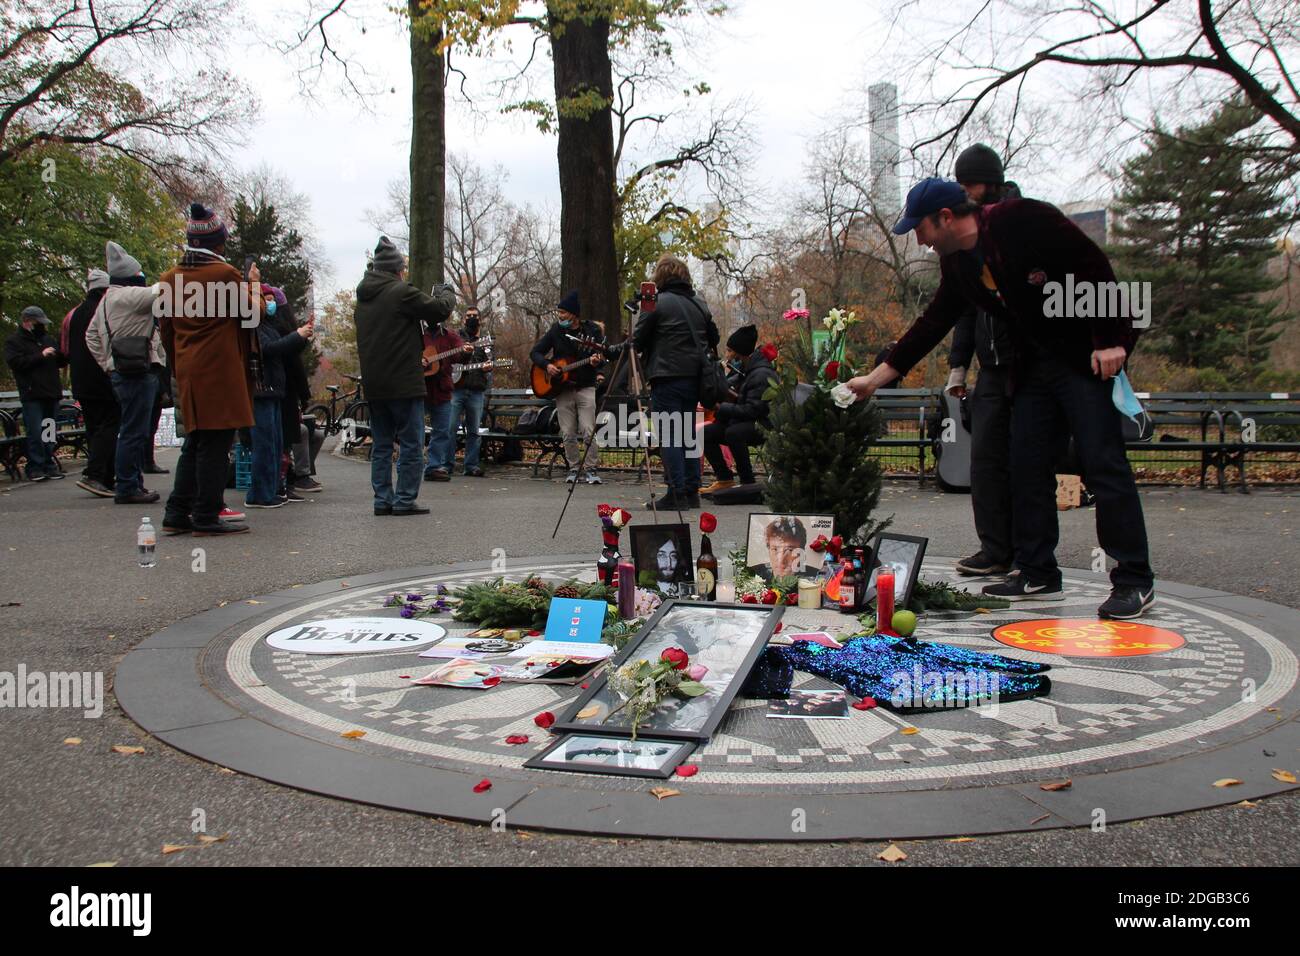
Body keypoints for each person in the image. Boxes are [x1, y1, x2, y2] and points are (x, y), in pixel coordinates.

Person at [847, 177, 1155, 620]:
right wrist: (875, 379)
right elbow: (933, 323)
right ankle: (1037, 568)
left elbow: (1092, 264)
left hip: (1083, 357)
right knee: (1026, 465)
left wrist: (1110, 340)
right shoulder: (958, 265)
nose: (920, 240)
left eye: (922, 229)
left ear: (946, 218)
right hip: (1030, 368)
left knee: (1102, 462)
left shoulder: (1021, 218)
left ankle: (1134, 579)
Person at [157, 203, 258, 537]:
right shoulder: (226, 275)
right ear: (219, 242)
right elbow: (252, 316)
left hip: (187, 370)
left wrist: (179, 364)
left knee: (196, 444)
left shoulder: (169, 279)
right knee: (216, 445)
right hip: (220, 372)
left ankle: (176, 513)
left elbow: (166, 331)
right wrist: (253, 285)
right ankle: (205, 515)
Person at [945, 144, 1022, 577]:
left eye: (967, 183)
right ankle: (994, 548)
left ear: (988, 181)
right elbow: (965, 306)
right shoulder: (970, 235)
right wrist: (959, 367)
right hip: (988, 366)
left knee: (1024, 462)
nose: (962, 192)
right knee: (985, 461)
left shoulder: (1016, 220)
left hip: (1025, 363)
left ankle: (1028, 556)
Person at [354, 236, 456, 515]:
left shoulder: (363, 297)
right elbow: (437, 310)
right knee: (411, 442)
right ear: (396, 270)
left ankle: (382, 500)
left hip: (375, 385)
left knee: (383, 444)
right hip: (404, 383)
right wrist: (446, 293)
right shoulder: (400, 292)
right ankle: (404, 500)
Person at [632, 255, 719, 510]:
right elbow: (713, 335)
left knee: (670, 434)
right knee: (687, 433)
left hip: (666, 375)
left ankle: (676, 493)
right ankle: (692, 491)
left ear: (660, 276)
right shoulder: (699, 302)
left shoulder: (655, 302)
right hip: (695, 378)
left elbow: (638, 338)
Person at [85, 241, 167, 505]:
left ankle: (132, 484)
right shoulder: (127, 295)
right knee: (134, 431)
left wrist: (107, 363)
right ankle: (128, 486)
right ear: (132, 276)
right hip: (136, 372)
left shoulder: (106, 300)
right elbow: (161, 291)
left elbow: (91, 337)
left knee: (131, 428)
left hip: (120, 372)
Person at [529, 291, 606, 485]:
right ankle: (573, 468)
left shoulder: (592, 331)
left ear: (573, 314)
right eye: (559, 312)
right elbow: (535, 352)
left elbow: (601, 357)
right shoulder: (556, 331)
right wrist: (547, 365)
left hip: (585, 386)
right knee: (567, 432)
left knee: (588, 429)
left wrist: (597, 363)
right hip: (562, 389)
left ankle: (590, 469)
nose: (560, 316)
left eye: (563, 312)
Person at [246, 288, 312, 508]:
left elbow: (283, 347)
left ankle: (272, 488)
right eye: (266, 300)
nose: (269, 304)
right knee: (264, 445)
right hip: (262, 388)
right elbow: (268, 349)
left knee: (274, 444)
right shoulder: (253, 326)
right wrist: (297, 336)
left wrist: (300, 336)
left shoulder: (268, 325)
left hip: (273, 389)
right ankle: (260, 493)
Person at [701, 325, 776, 495]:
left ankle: (747, 480)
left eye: (730, 350)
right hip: (745, 420)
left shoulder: (761, 374)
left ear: (739, 352)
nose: (727, 354)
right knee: (705, 433)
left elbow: (753, 410)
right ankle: (724, 478)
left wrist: (723, 407)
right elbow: (732, 388)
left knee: (734, 433)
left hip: (762, 425)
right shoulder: (746, 369)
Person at [66, 270, 118, 497]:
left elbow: (65, 347)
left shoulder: (74, 313)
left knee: (94, 427)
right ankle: (97, 473)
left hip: (81, 380)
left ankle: (104, 475)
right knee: (110, 424)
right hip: (101, 377)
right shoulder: (103, 309)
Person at [4, 306, 66, 482]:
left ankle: (49, 463)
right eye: (38, 323)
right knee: (36, 431)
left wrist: (61, 354)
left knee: (49, 431)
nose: (42, 327)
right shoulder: (14, 342)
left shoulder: (47, 339)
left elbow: (60, 362)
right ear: (27, 322)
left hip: (51, 392)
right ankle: (35, 466)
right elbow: (16, 363)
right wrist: (41, 355)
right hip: (32, 394)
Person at [422, 316, 470, 481]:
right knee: (414, 430)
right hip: (420, 390)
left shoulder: (450, 336)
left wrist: (466, 352)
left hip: (442, 390)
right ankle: (412, 465)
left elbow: (459, 354)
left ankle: (433, 467)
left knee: (442, 431)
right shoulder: (418, 335)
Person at [448, 306, 491, 477]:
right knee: (450, 428)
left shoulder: (485, 340)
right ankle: (446, 464)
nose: (471, 318)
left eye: (475, 316)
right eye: (468, 316)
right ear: (463, 319)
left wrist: (489, 366)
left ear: (480, 319)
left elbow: (490, 360)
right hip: (456, 389)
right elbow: (450, 358)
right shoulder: (456, 337)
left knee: (474, 430)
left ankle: (471, 465)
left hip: (476, 389)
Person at [750, 516, 807, 580]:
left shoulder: (816, 576)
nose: (781, 560)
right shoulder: (752, 574)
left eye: (790, 550)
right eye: (775, 549)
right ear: (769, 550)